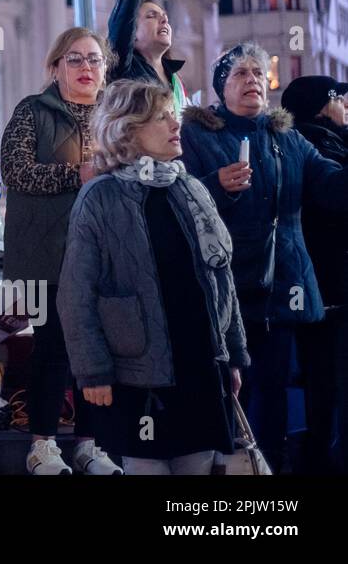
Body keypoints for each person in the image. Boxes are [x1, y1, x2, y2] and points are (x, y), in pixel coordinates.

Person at [61, 79, 249, 475]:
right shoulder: (100, 197)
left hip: (199, 364)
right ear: (128, 130)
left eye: (173, 115)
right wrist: (92, 371)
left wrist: (232, 357)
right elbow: (77, 293)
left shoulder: (192, 188)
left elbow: (222, 278)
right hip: (138, 375)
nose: (174, 124)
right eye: (161, 117)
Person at [180, 43, 348, 472]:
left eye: (257, 73)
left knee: (271, 394)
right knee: (223, 393)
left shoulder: (288, 138)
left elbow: (331, 189)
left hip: (278, 286)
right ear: (221, 88)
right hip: (221, 289)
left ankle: (267, 473)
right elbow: (176, 202)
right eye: (239, 73)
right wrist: (216, 185)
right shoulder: (196, 135)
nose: (252, 79)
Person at [0, 27, 122, 474]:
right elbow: (16, 171)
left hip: (105, 254)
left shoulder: (115, 118)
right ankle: (43, 443)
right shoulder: (32, 112)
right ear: (55, 67)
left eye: (94, 60)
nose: (86, 67)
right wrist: (79, 174)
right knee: (54, 347)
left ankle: (92, 443)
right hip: (46, 252)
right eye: (75, 59)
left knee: (99, 350)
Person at [281, 75, 348, 472]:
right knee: (327, 382)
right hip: (328, 287)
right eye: (340, 98)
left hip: (321, 287)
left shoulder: (331, 142)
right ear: (324, 105)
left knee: (323, 381)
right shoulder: (313, 144)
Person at [108, 0, 187, 114]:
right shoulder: (125, 69)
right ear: (133, 34)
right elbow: (119, 34)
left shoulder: (176, 80)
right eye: (152, 16)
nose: (164, 20)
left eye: (165, 16)